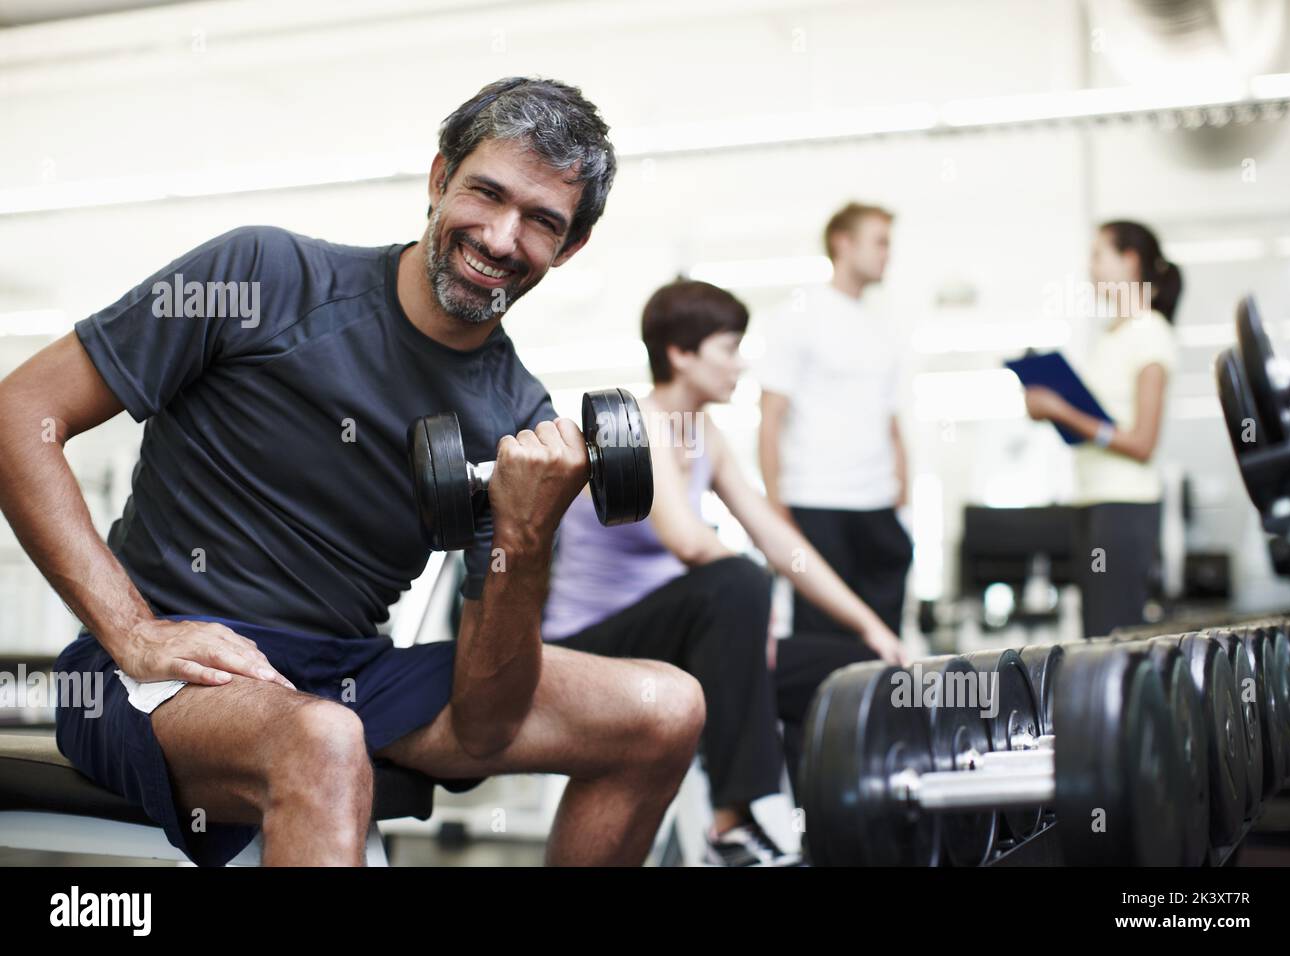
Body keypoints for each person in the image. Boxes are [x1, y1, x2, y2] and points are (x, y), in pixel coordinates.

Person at [0, 77, 707, 867]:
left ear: (568, 248)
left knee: (665, 708)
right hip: (161, 669)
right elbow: (19, 414)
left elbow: (484, 726)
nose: (503, 239)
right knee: (324, 741)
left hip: (345, 671)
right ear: (439, 179)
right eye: (487, 193)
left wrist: (526, 536)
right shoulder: (260, 276)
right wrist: (131, 632)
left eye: (542, 221)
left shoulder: (519, 412)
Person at [541, 279, 908, 866]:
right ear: (681, 354)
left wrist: (871, 628)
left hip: (682, 642)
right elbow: (688, 542)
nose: (741, 364)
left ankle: (834, 832)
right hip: (591, 647)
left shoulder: (705, 435)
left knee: (847, 673)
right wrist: (752, 605)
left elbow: (778, 540)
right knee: (738, 582)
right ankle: (733, 823)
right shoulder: (635, 425)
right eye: (729, 348)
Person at [757, 202, 913, 640]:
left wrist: (903, 491)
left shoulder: (884, 327)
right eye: (880, 242)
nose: (888, 254)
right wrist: (776, 510)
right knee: (824, 641)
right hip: (817, 501)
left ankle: (884, 711)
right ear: (844, 244)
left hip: (878, 507)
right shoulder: (799, 317)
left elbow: (892, 420)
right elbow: (770, 418)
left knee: (883, 639)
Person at [1023, 220, 1181, 638]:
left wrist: (1064, 410)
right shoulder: (1110, 337)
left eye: (1098, 254)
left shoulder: (1150, 332)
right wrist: (1052, 410)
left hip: (1125, 506)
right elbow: (1095, 425)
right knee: (1096, 631)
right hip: (1092, 501)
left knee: (1113, 636)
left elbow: (1143, 442)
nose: (1090, 267)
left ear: (1129, 261)